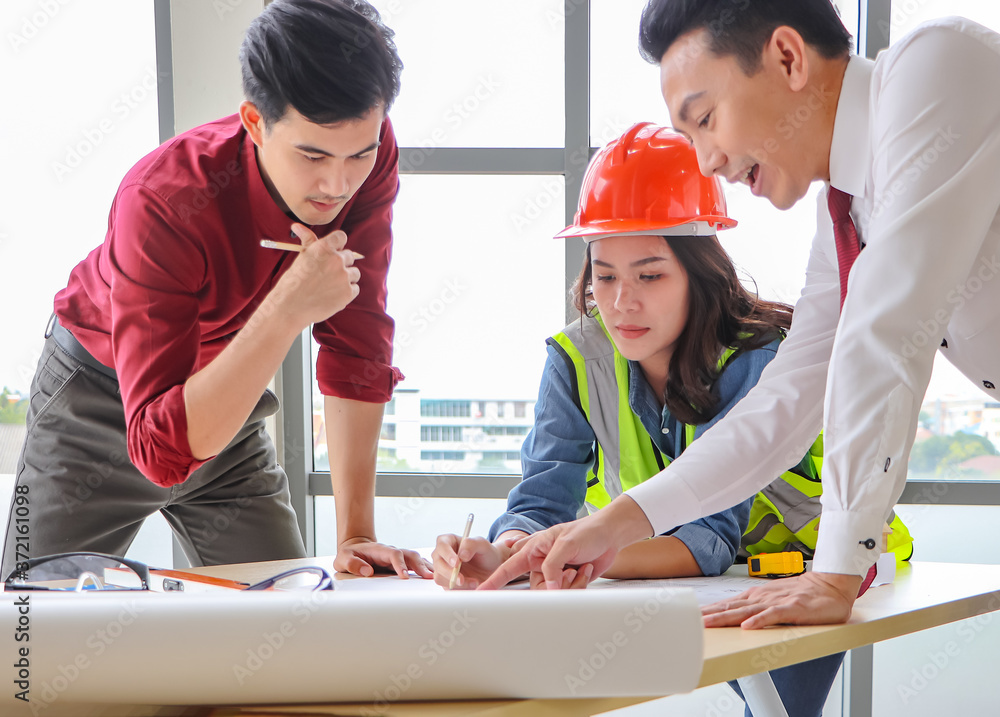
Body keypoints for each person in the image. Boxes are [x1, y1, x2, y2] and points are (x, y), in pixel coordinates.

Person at [483, 0, 999, 628]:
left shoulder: (937, 69)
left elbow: (883, 342)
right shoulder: (845, 209)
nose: (707, 161)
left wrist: (835, 573)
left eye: (705, 119)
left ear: (787, 57)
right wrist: (610, 529)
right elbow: (786, 401)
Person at [437, 124, 900, 715]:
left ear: (699, 272)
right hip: (656, 571)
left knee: (780, 707)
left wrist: (572, 550)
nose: (622, 301)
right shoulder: (575, 358)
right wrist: (511, 548)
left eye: (649, 275)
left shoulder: (755, 358)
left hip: (806, 572)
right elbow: (538, 503)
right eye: (604, 275)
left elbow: (708, 540)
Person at [1, 0, 431, 580]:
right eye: (312, 155)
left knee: (286, 619)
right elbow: (160, 449)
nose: (339, 183)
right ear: (255, 122)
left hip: (224, 400)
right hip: (96, 400)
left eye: (362, 152)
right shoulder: (163, 201)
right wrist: (284, 311)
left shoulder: (365, 159)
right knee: (31, 631)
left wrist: (356, 534)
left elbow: (357, 339)